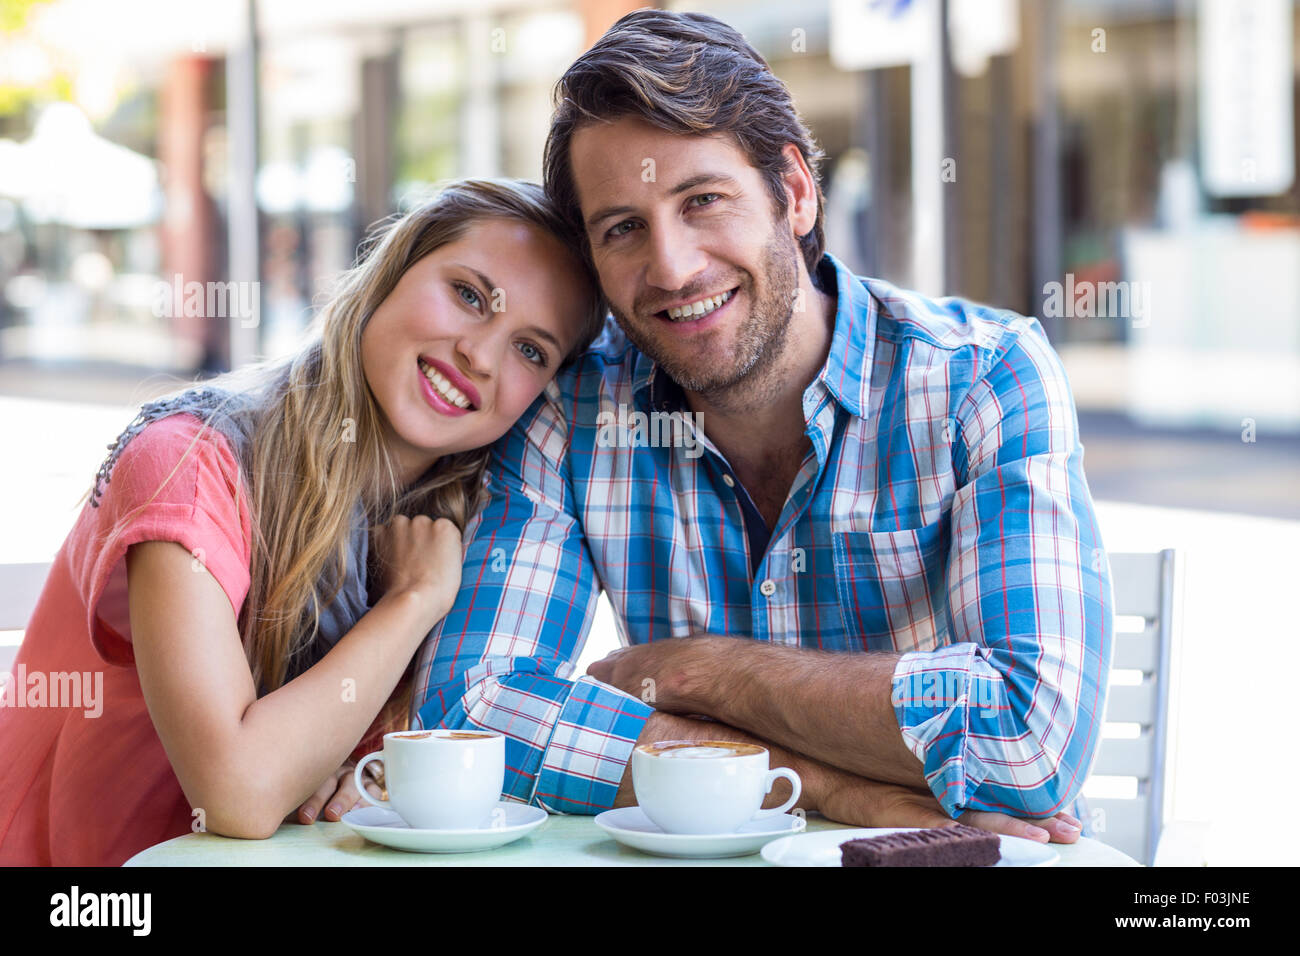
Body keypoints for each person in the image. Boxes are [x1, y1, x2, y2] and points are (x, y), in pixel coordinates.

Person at [410, 11, 1113, 844]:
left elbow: (1027, 745)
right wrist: (817, 785)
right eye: (623, 228)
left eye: (703, 200)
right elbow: (475, 707)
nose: (672, 268)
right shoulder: (575, 410)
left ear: (795, 192)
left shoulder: (982, 378)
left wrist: (694, 669)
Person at [0, 179, 604, 866]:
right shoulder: (189, 459)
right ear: (389, 273)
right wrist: (411, 603)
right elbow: (240, 791)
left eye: (531, 350)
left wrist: (363, 773)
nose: (481, 355)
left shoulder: (470, 525)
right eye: (469, 294)